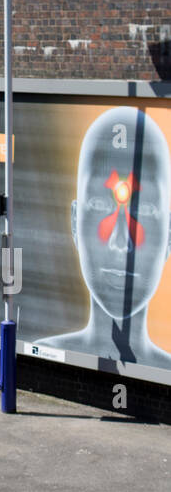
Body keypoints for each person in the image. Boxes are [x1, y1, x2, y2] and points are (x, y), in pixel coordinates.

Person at [35, 105, 171, 366]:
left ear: (169, 234)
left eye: (143, 209)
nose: (120, 242)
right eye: (99, 206)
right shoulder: (45, 354)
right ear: (75, 222)